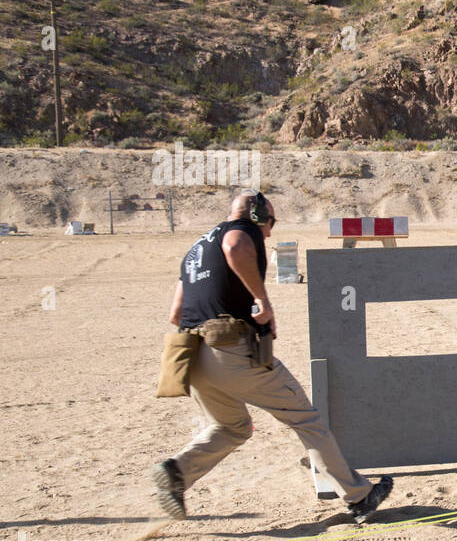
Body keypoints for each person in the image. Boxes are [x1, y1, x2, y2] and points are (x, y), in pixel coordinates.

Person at [152, 190, 393, 523]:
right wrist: (261, 300)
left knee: (231, 427)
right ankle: (359, 495)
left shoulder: (195, 249)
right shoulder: (241, 232)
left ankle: (177, 472)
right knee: (305, 419)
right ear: (255, 216)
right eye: (270, 222)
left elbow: (176, 312)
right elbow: (235, 247)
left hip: (192, 358)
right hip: (229, 348)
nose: (269, 231)